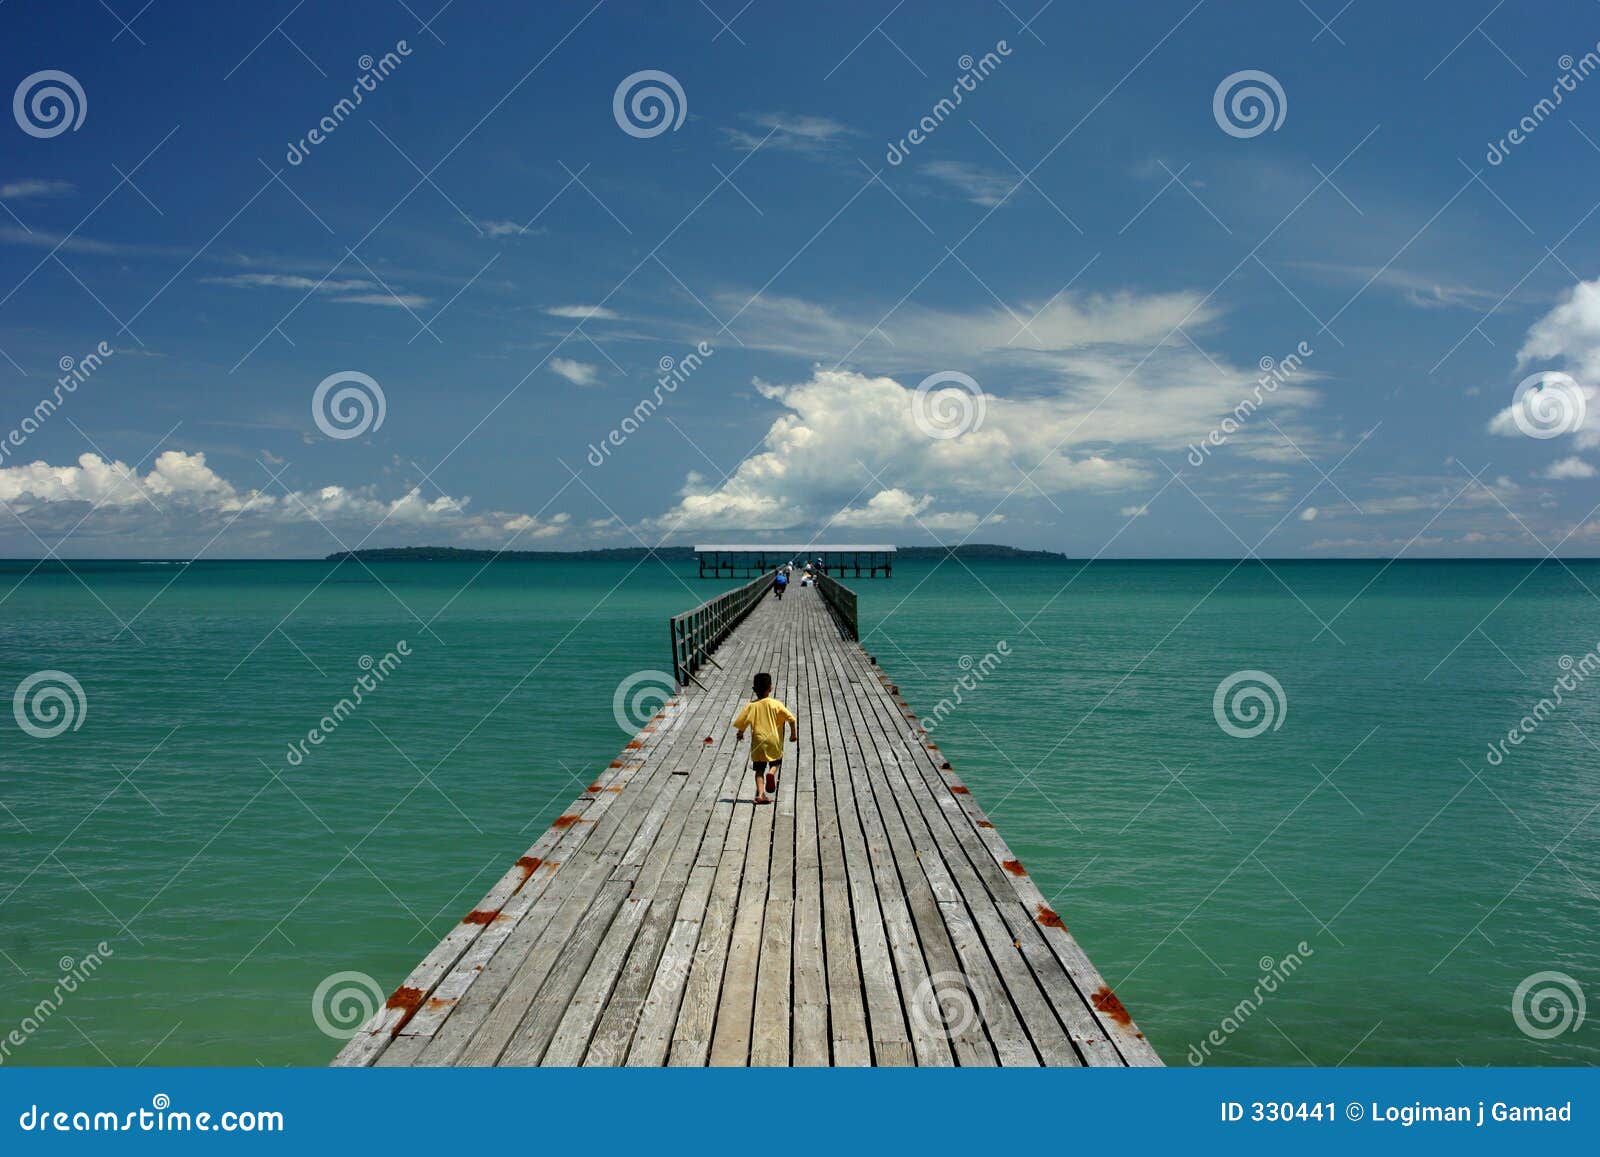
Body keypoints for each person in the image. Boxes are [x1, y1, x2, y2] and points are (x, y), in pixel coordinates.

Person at [732, 671, 797, 805]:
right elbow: (791, 719)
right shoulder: (776, 704)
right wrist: (793, 734)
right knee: (776, 762)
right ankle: (772, 773)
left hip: (758, 742)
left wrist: (740, 734)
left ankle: (761, 794)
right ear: (770, 688)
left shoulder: (751, 706)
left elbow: (742, 723)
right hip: (774, 741)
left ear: (754, 689)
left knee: (759, 770)